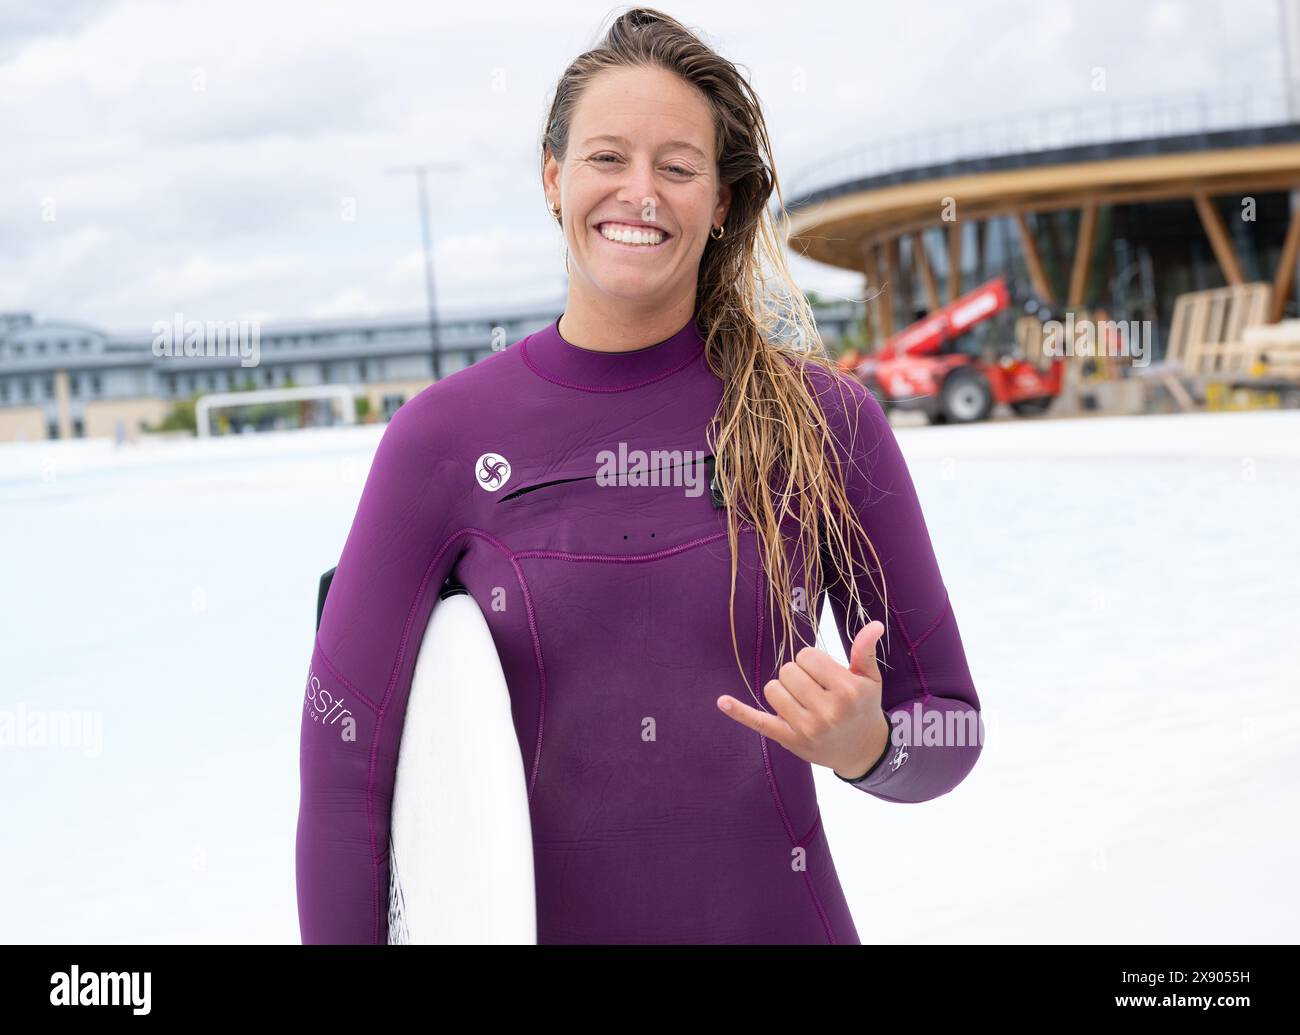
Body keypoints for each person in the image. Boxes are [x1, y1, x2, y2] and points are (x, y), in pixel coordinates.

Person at [296, 7, 983, 946]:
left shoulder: (823, 421)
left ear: (724, 200)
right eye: (607, 157)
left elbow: (949, 724)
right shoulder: (441, 439)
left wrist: (868, 747)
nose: (640, 192)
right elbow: (345, 770)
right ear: (553, 179)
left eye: (678, 166)